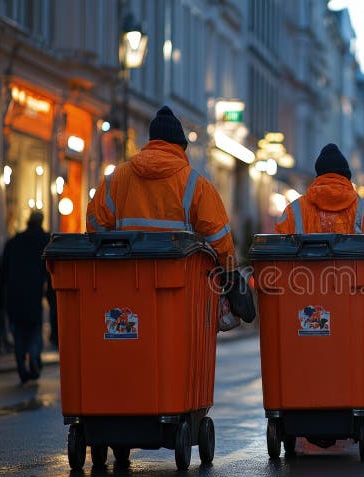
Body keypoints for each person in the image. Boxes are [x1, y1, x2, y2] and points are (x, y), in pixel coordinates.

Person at [87, 105, 254, 324]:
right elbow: (219, 238)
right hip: (178, 289)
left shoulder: (116, 178)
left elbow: (94, 228)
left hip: (126, 284)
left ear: (150, 142)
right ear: (181, 147)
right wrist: (232, 278)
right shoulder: (196, 184)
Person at [276, 143, 364, 310]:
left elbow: (276, 253)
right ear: (347, 177)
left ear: (318, 175)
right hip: (355, 303)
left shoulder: (294, 211)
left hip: (302, 299)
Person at [0, 211, 51, 384]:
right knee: (35, 330)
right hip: (33, 294)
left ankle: (21, 364)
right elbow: (51, 272)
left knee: (19, 332)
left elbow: (2, 274)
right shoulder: (45, 241)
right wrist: (51, 295)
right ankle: (34, 356)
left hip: (14, 294)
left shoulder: (13, 242)